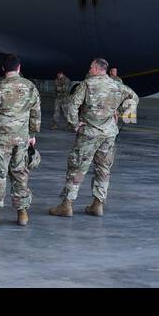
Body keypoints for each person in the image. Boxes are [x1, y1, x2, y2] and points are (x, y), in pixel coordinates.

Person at [48, 58, 138, 218]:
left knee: (77, 167)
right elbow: (134, 98)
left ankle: (67, 205)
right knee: (103, 169)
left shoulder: (87, 85)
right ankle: (98, 204)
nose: (89, 69)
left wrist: (75, 123)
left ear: (97, 69)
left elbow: (71, 105)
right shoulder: (117, 85)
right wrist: (120, 113)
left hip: (89, 133)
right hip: (109, 133)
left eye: (91, 67)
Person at [0, 54, 40, 228]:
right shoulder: (30, 87)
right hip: (22, 138)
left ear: (4, 69)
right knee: (20, 173)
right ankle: (22, 214)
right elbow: (36, 113)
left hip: (1, 137)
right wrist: (32, 135)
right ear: (19, 68)